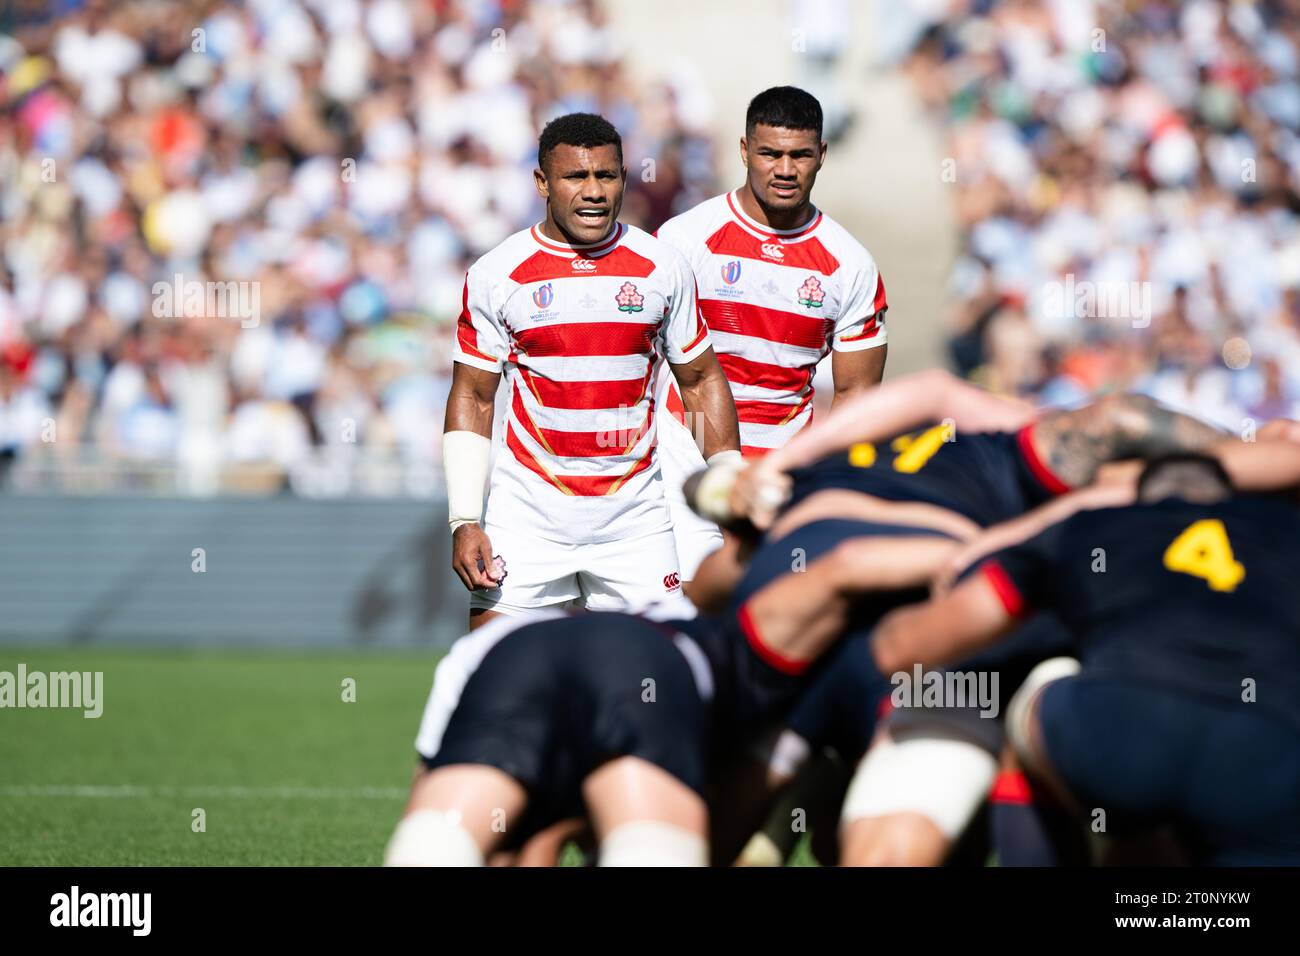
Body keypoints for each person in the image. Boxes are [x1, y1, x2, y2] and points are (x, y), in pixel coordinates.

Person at [443, 113, 740, 629]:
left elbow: (701, 381)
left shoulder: (660, 267)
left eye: (606, 175)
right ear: (542, 183)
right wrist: (465, 518)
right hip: (528, 520)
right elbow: (474, 394)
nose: (594, 191)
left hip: (635, 522)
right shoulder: (497, 273)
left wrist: (732, 483)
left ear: (624, 178)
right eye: (576, 177)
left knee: (659, 686)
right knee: (496, 685)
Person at [653, 86, 891, 591]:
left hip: (780, 478)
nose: (785, 169)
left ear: (821, 156)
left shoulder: (850, 265)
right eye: (770, 154)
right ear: (744, 151)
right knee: (684, 613)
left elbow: (857, 397)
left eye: (800, 155)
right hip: (682, 460)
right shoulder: (684, 239)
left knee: (760, 629)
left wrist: (820, 480)